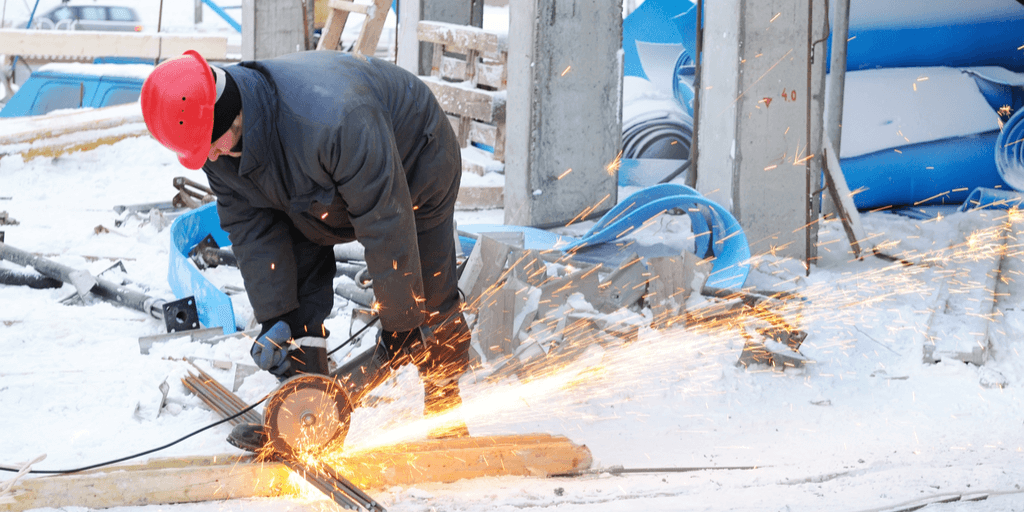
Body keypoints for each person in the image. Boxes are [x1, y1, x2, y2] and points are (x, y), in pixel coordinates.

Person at [140, 50, 472, 450]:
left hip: (417, 161)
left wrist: (400, 322)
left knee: (428, 298)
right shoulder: (214, 140)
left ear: (231, 114)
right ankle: (309, 413)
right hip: (316, 181)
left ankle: (446, 406)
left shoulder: (336, 120)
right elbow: (252, 230)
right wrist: (276, 318)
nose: (208, 157)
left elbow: (385, 222)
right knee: (294, 296)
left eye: (211, 145)